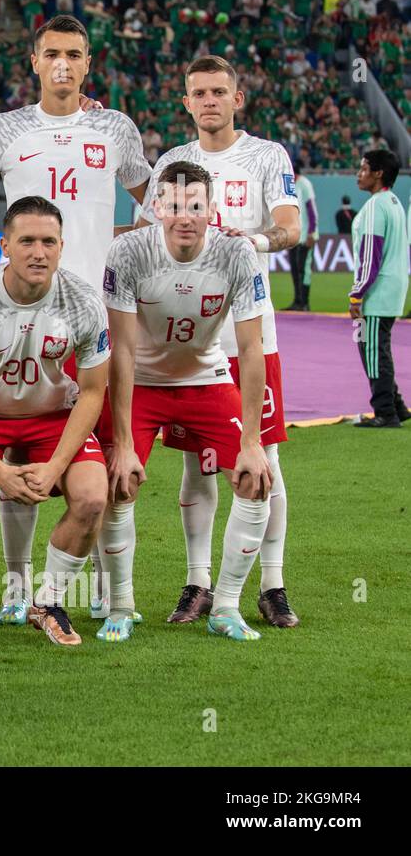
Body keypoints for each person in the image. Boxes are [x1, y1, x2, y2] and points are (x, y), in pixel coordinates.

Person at [0, 13, 151, 625]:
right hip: (18, 304)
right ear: (33, 61)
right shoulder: (4, 130)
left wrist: (131, 242)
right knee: (18, 426)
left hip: (95, 311)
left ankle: (113, 593)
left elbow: (154, 202)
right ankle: (15, 587)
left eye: (74, 54)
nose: (62, 63)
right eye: (51, 53)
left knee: (105, 457)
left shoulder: (115, 128)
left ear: (88, 63)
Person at [140, 55, 301, 628]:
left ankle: (273, 584)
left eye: (218, 92)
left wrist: (252, 237)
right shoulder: (173, 162)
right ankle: (197, 581)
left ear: (238, 99)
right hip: (187, 341)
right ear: (185, 102)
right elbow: (144, 230)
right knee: (196, 465)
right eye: (197, 93)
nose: (208, 101)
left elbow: (292, 226)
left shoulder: (266, 155)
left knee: (265, 462)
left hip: (252, 334)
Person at [100, 160, 273, 643]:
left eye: (195, 206)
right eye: (173, 205)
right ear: (156, 208)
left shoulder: (236, 254)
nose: (184, 216)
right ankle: (121, 605)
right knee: (117, 481)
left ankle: (226, 606)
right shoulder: (129, 251)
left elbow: (253, 348)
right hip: (143, 383)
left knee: (256, 478)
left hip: (206, 377)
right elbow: (124, 349)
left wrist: (253, 441)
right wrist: (123, 443)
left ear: (211, 210)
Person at [0, 196, 110, 647]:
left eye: (48, 242)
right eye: (27, 241)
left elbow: (92, 391)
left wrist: (54, 469)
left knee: (92, 499)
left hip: (52, 415)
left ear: (61, 247)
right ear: (4, 245)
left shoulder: (83, 301)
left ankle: (48, 603)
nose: (38, 252)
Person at [349, 149, 409, 429]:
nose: (358, 174)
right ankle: (396, 405)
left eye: (363, 169)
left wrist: (357, 294)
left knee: (371, 349)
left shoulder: (375, 206)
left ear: (378, 173)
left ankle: (385, 411)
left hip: (377, 290)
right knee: (378, 347)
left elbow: (371, 255)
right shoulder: (394, 202)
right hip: (393, 285)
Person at [287, 166, 319, 310]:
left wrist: (312, 232)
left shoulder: (305, 184)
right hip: (294, 236)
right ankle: (297, 301)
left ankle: (304, 302)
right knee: (295, 269)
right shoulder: (290, 184)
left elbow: (311, 209)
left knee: (303, 269)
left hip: (306, 236)